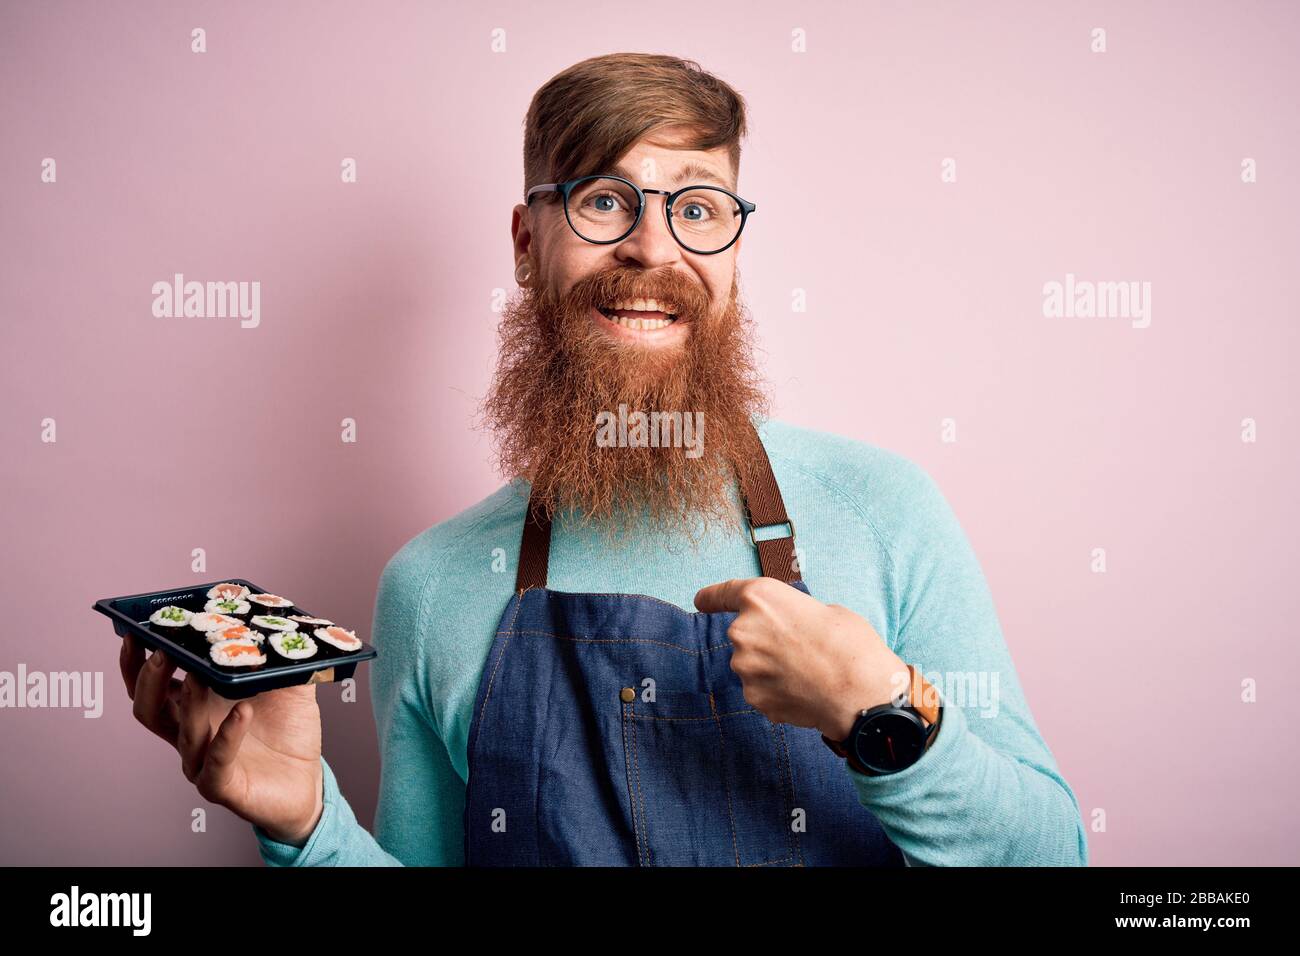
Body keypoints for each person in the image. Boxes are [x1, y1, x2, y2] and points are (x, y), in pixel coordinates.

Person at [120, 52, 1088, 867]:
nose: (651, 247)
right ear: (525, 241)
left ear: (735, 253)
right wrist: (307, 823)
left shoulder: (881, 507)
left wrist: (879, 715)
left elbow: (1053, 858)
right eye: (602, 202)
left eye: (698, 207)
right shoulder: (433, 582)